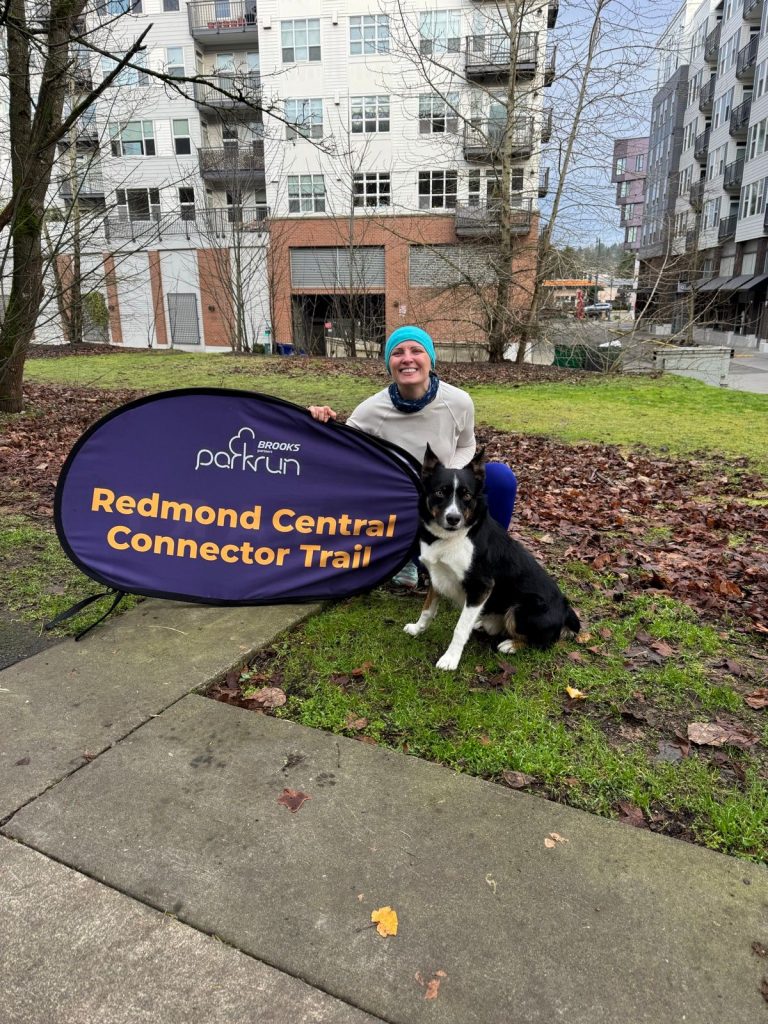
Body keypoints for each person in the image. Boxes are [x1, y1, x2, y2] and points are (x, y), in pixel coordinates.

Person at [309, 326, 518, 588]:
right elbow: (342, 452)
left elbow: (467, 445)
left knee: (500, 478)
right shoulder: (371, 410)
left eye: (416, 350)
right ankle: (405, 558)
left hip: (442, 491)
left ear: (430, 360)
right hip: (396, 501)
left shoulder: (459, 401)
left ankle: (484, 557)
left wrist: (446, 477)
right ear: (390, 365)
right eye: (397, 353)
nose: (407, 358)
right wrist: (320, 421)